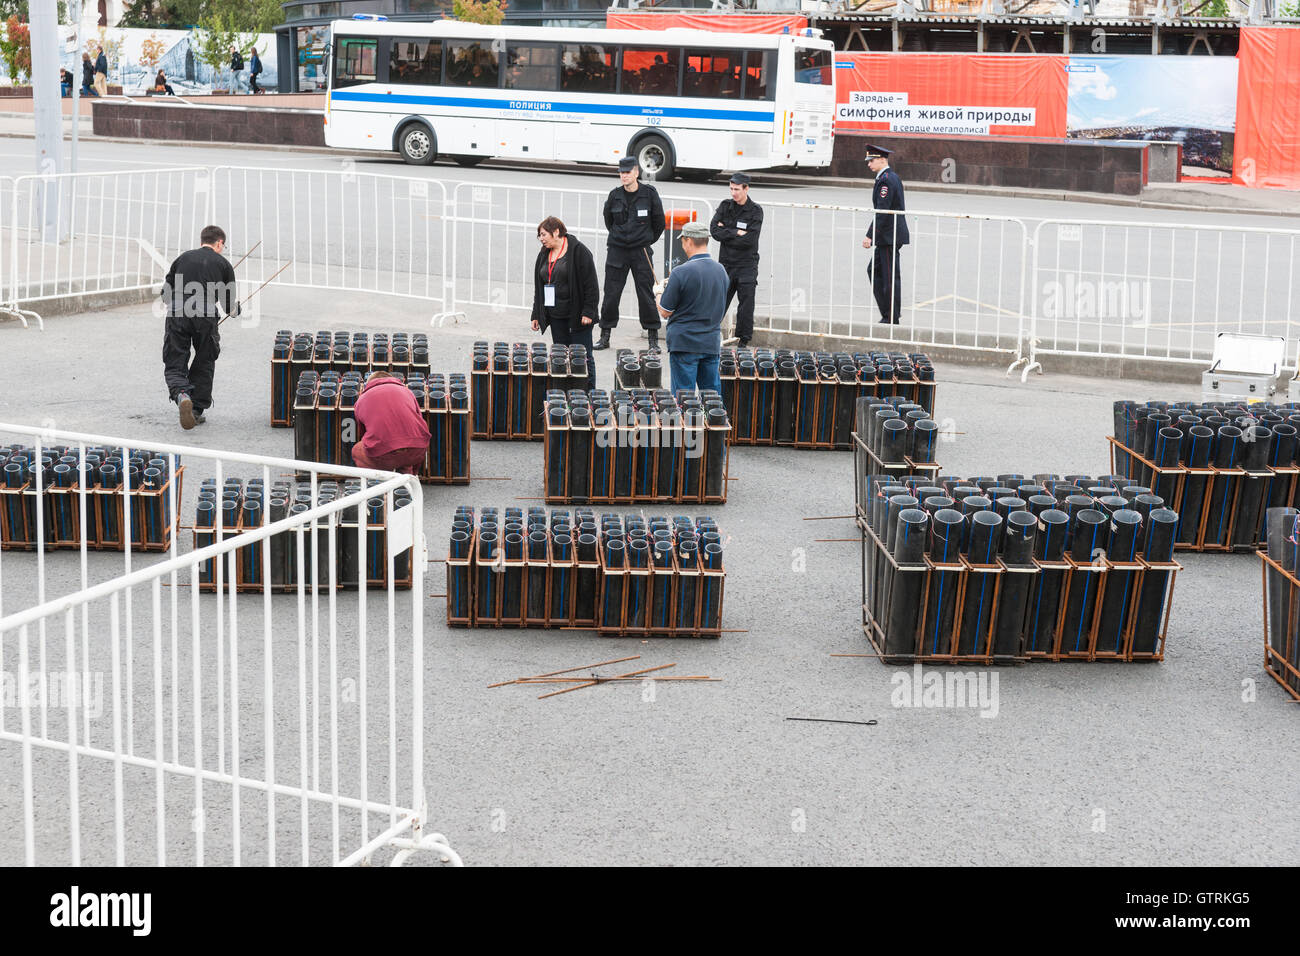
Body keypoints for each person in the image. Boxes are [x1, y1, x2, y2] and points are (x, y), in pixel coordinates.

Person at [160, 225, 239, 430]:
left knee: (175, 358)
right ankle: (195, 410)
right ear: (219, 243)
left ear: (203, 239)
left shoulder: (182, 258)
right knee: (205, 359)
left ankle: (182, 394)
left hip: (178, 313)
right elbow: (229, 306)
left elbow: (165, 294)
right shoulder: (224, 264)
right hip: (205, 317)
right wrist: (236, 310)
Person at [597, 156, 664, 351]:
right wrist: (620, 237)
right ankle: (605, 336)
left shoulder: (649, 194)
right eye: (621, 172)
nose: (624, 176)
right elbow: (608, 220)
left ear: (636, 172)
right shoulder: (614, 195)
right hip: (617, 250)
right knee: (611, 293)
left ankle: (652, 339)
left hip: (640, 250)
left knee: (645, 294)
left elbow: (659, 222)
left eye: (627, 172)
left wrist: (645, 239)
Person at [657, 221, 728, 397]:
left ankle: (689, 425)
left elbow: (665, 310)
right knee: (711, 397)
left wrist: (658, 292)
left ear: (689, 241)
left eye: (683, 241)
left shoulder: (681, 272)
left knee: (684, 399)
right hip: (710, 342)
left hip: (685, 343)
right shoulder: (721, 270)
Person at [531, 216, 600, 390]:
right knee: (561, 356)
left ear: (556, 232)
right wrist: (536, 314)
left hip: (577, 315)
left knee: (582, 356)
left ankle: (588, 393)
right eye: (539, 235)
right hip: (556, 315)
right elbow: (539, 287)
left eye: (543, 234)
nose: (541, 239)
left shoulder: (579, 251)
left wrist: (588, 311)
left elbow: (591, 284)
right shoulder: (544, 253)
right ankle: (566, 392)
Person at [710, 171, 764, 348]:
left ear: (746, 189)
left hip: (747, 264)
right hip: (726, 263)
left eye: (737, 189)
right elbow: (714, 231)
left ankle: (743, 341)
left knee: (746, 304)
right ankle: (709, 334)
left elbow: (749, 240)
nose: (733, 193)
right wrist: (735, 232)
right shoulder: (726, 206)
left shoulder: (755, 211)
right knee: (719, 301)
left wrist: (726, 231)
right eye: (731, 189)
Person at [861, 144, 909, 325]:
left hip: (889, 236)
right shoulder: (887, 177)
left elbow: (883, 211)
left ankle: (891, 317)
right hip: (888, 235)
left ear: (882, 160)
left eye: (871, 160)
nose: (869, 164)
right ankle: (888, 313)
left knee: (889, 277)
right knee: (874, 271)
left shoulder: (887, 180)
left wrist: (870, 235)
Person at [351, 371, 432, 475]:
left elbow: (362, 433)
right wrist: (415, 472)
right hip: (417, 451)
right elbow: (419, 424)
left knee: (357, 451)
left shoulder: (362, 400)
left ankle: (380, 481)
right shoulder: (407, 392)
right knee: (407, 440)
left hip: (384, 455)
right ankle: (408, 477)